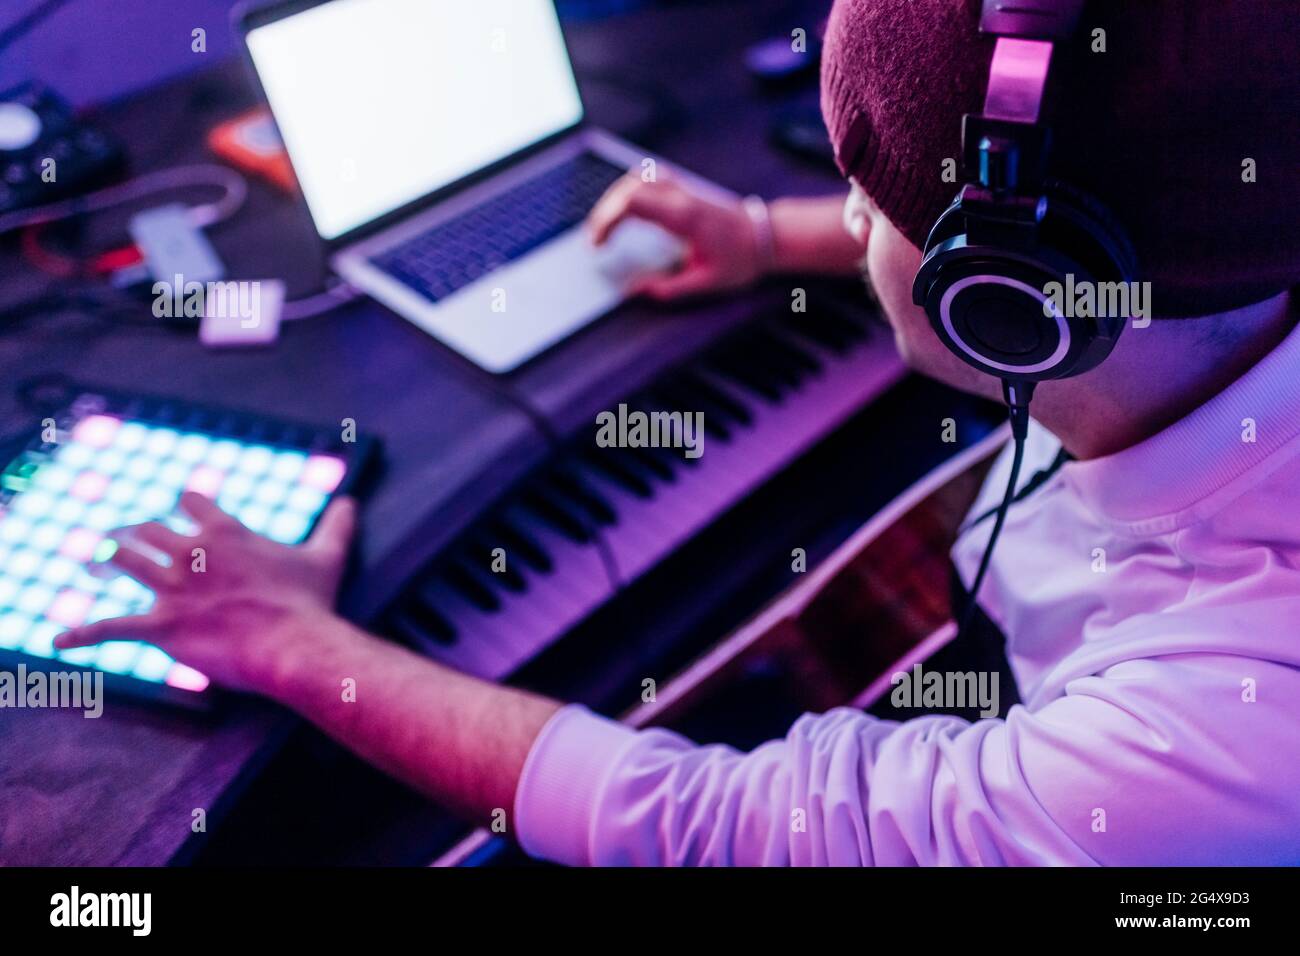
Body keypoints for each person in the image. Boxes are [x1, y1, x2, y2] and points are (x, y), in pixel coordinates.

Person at [58, 0, 1300, 865]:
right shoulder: (1238, 235)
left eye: (862, 193)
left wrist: (289, 642)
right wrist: (761, 235)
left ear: (1007, 308)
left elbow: (689, 819)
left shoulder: (1191, 756)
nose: (843, 213)